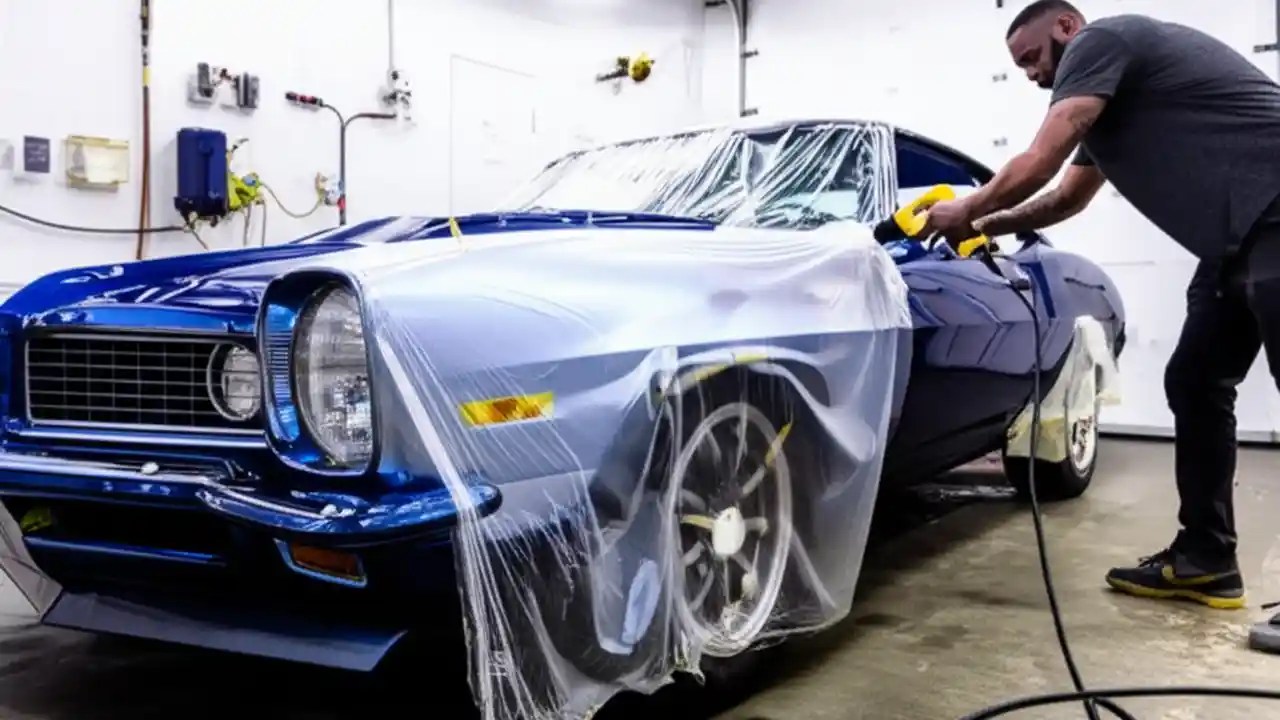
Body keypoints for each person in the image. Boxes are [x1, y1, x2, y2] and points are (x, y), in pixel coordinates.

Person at [923, 0, 1280, 623]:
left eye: (1031, 57)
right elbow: (1067, 198)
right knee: (1194, 382)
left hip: (1275, 208)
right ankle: (1206, 560)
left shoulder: (1101, 43)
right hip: (1235, 242)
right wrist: (993, 227)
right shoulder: (1105, 103)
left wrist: (967, 208)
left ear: (1066, 27)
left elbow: (1040, 162)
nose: (1030, 74)